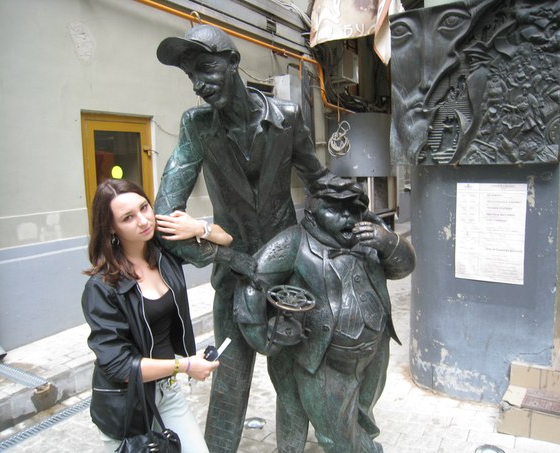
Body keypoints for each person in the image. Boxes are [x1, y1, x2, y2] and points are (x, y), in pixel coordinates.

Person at [155, 24, 331, 453]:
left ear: (233, 62)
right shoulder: (197, 126)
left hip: (289, 275)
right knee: (229, 382)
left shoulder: (286, 117)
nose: (199, 84)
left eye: (206, 68)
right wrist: (224, 254)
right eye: (191, 75)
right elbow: (164, 217)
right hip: (233, 279)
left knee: (291, 379)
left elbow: (318, 180)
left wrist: (349, 212)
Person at [234, 177, 416, 453]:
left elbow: (403, 268)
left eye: (353, 209)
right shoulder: (295, 242)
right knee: (337, 437)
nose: (347, 217)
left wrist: (389, 242)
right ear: (312, 213)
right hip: (322, 359)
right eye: (334, 209)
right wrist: (262, 337)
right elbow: (252, 282)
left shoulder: (370, 236)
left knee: (361, 414)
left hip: (373, 353)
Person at [81, 178, 231, 453]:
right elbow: (120, 367)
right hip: (127, 406)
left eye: (144, 207)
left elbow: (227, 240)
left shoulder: (164, 254)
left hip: (167, 390)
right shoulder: (102, 288)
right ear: (111, 228)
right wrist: (186, 365)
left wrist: (198, 227)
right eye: (128, 217)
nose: (143, 220)